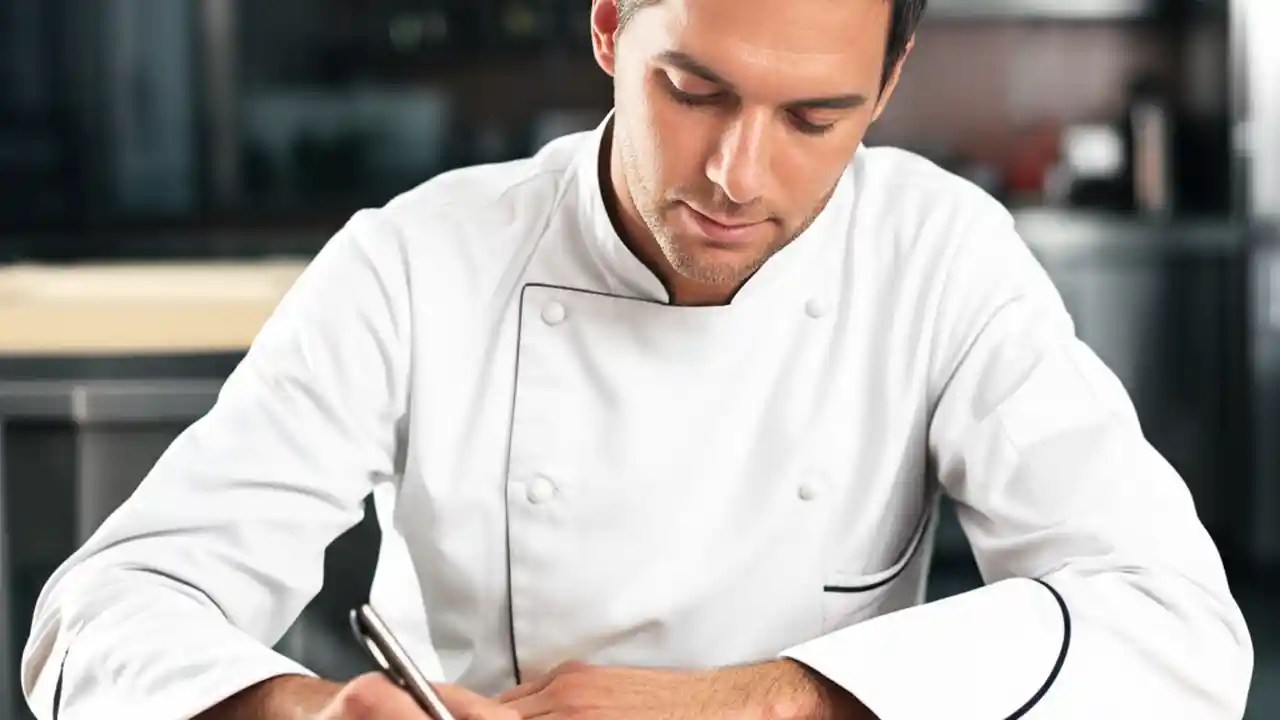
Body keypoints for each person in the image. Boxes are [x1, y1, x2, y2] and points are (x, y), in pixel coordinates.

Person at [21, 0, 1254, 717]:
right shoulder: (417, 261)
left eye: (810, 119)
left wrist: (765, 704)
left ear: (885, 89)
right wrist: (296, 715)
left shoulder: (939, 260)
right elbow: (98, 616)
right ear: (610, 23)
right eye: (692, 90)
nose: (734, 174)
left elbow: (1174, 634)